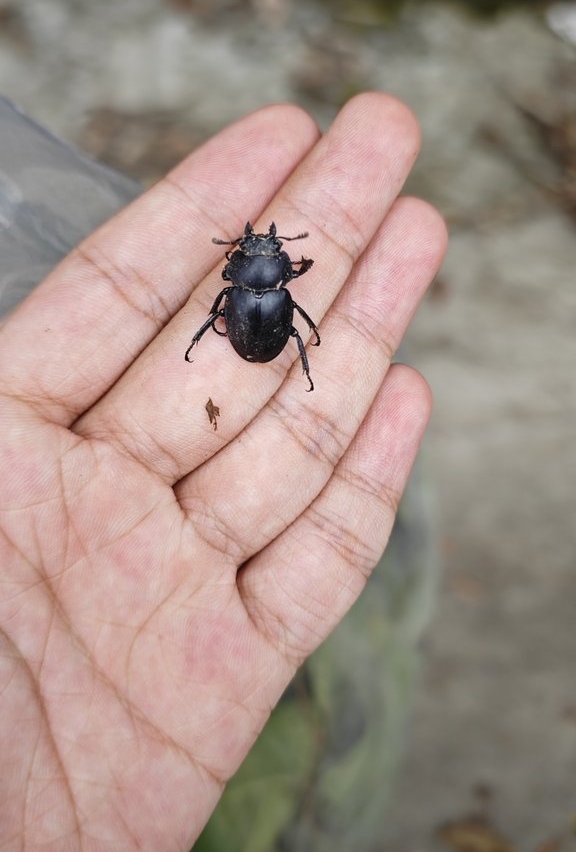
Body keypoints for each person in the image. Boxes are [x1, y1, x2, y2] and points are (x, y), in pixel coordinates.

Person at [0, 93, 446, 850]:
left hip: (255, 329)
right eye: (256, 252)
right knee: (298, 341)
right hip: (266, 332)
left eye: (261, 253)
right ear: (258, 267)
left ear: (254, 268)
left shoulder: (240, 289)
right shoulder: (272, 288)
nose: (261, 250)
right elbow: (274, 311)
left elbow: (236, 313)